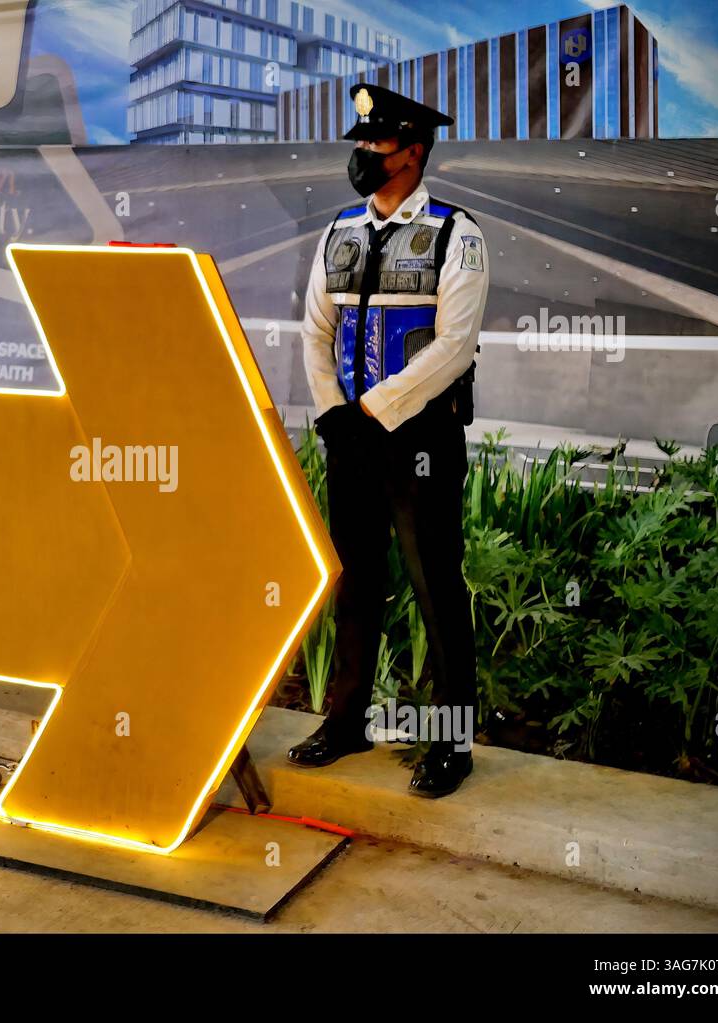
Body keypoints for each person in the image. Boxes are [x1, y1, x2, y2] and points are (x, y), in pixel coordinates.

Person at [289, 83, 489, 798]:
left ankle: (452, 745)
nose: (364, 153)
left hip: (421, 439)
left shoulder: (456, 234)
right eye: (361, 141)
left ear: (414, 150)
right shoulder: (338, 229)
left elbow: (454, 347)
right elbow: (316, 331)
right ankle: (345, 723)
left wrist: (372, 410)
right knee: (356, 584)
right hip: (349, 436)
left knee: (437, 587)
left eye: (377, 143)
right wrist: (334, 413)